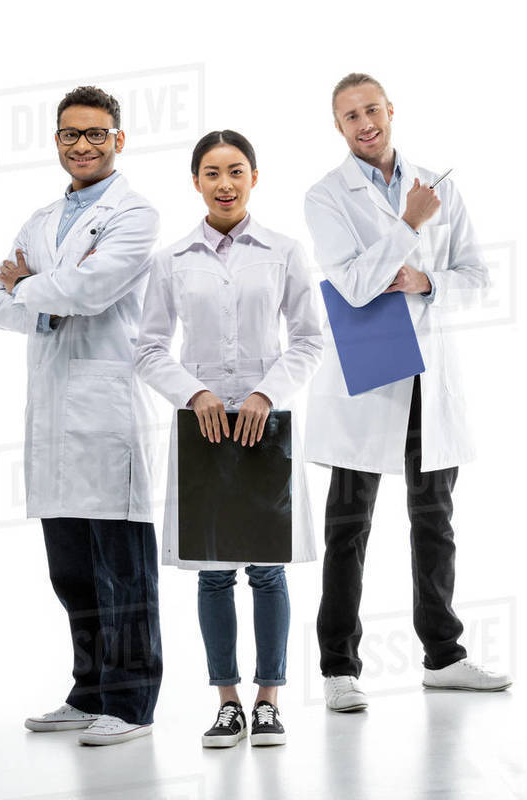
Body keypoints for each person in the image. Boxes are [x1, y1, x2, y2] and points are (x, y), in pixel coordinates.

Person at [304, 73, 511, 712]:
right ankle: (339, 667)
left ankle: (443, 656)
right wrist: (408, 223)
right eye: (349, 116)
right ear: (337, 127)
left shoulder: (438, 185)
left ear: (390, 111)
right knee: (349, 525)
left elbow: (477, 275)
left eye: (372, 110)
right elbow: (358, 284)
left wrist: (426, 280)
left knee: (436, 522)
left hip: (429, 375)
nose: (364, 123)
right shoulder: (325, 197)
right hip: (367, 378)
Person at [135, 131, 323, 747]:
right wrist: (195, 393)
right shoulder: (171, 259)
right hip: (206, 426)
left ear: (254, 177)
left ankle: (270, 700)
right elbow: (150, 347)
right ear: (195, 182)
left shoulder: (284, 252)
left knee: (267, 568)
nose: (224, 183)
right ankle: (227, 702)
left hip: (263, 426)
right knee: (213, 572)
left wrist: (268, 392)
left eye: (235, 171)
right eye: (212, 172)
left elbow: (308, 340)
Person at [0, 86, 162, 746]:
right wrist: (39, 297)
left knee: (124, 569)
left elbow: (92, 288)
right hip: (53, 418)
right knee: (71, 571)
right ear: (56, 141)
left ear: (118, 139)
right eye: (70, 134)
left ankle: (133, 702)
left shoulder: (135, 213)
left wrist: (25, 289)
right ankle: (89, 690)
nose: (82, 145)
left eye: (95, 134)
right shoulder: (39, 219)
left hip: (107, 408)